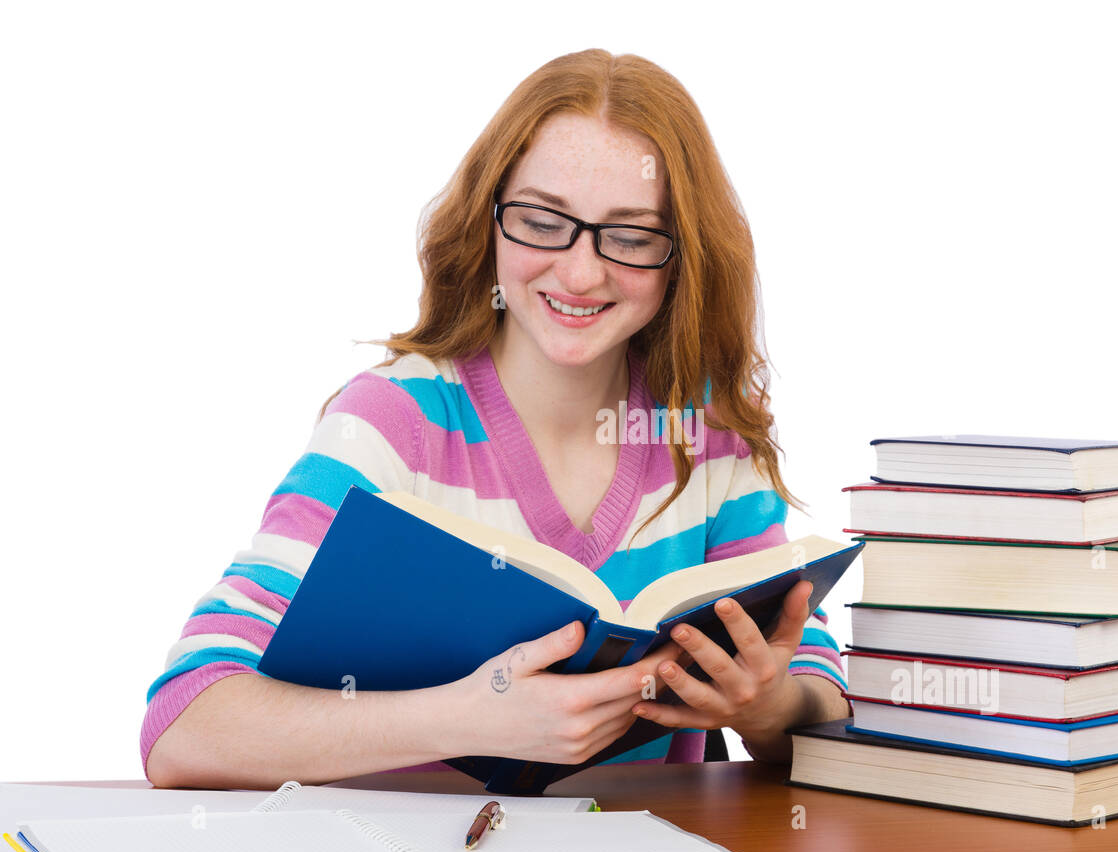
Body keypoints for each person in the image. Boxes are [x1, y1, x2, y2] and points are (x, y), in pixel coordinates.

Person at [142, 49, 849, 790]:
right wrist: (470, 716)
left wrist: (768, 705)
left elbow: (819, 700)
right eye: (542, 222)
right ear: (490, 224)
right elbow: (185, 728)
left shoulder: (704, 436)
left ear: (682, 259)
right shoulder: (393, 424)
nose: (579, 274)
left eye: (632, 237)